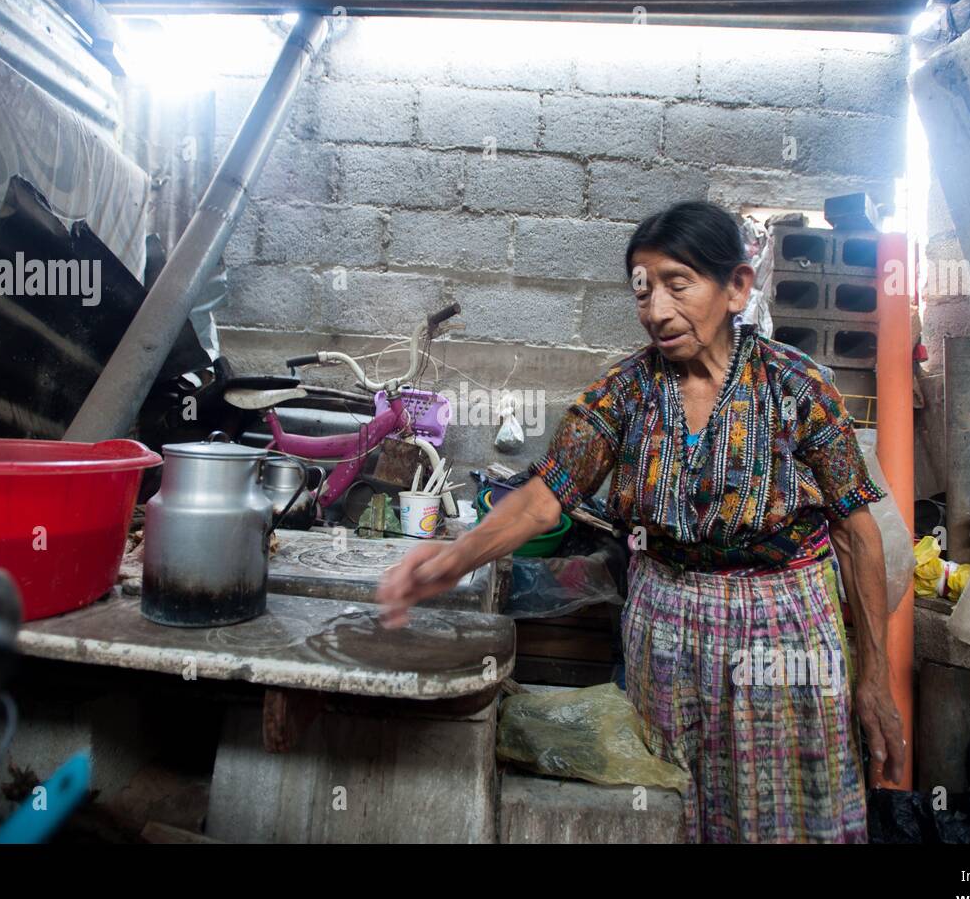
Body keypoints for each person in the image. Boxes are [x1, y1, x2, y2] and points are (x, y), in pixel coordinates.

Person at [378, 200, 906, 843]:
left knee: (785, 814)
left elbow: (856, 530)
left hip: (782, 631)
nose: (656, 310)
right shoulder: (626, 391)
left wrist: (875, 676)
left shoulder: (796, 384)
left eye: (678, 284)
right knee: (670, 807)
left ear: (737, 287)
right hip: (667, 627)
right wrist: (449, 561)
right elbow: (547, 497)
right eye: (642, 289)